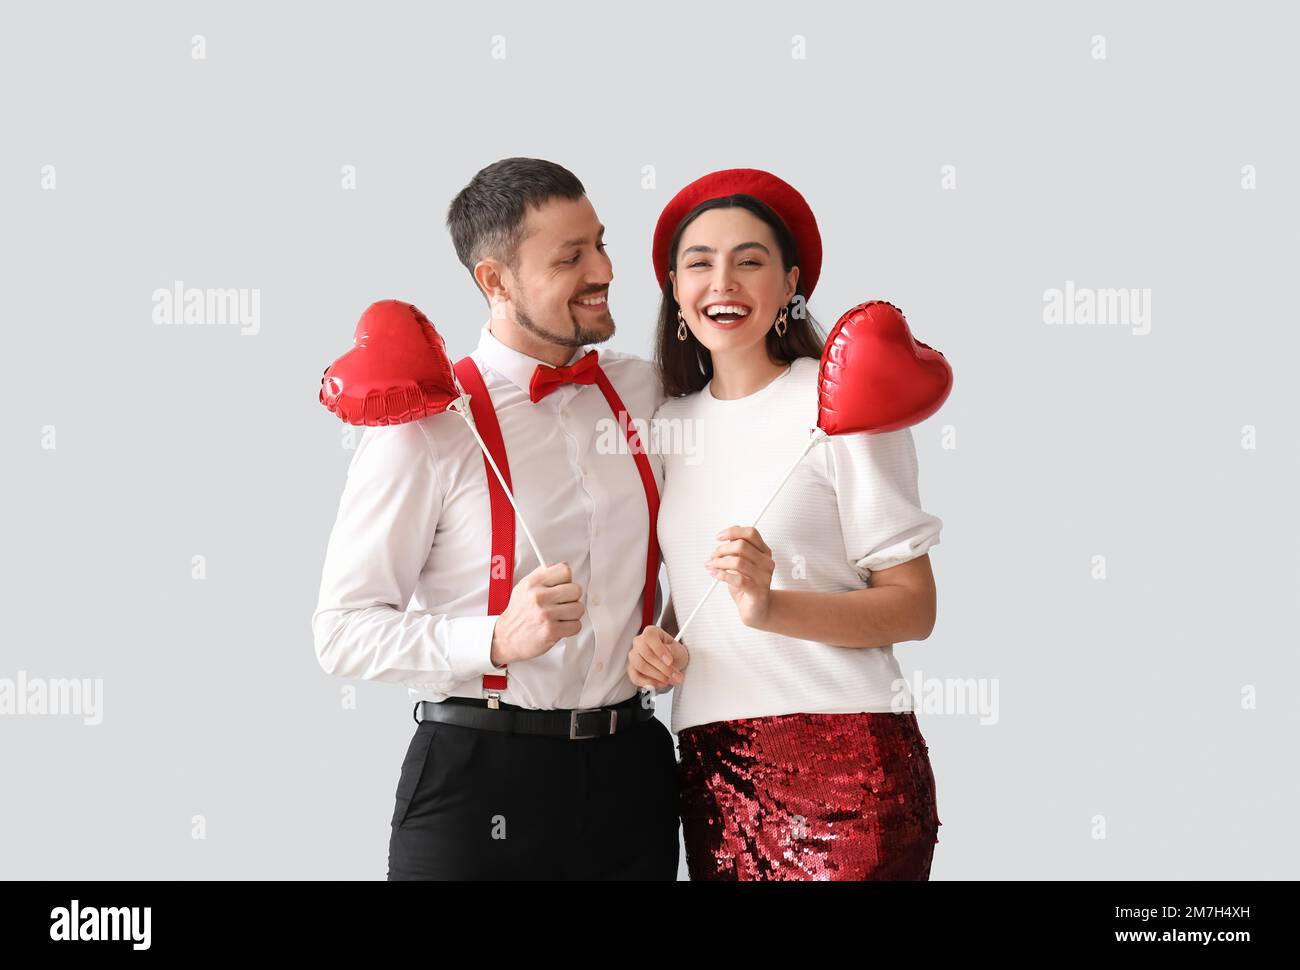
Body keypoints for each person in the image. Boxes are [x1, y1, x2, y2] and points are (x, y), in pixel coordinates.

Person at [313, 157, 678, 880]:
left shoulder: (647, 390)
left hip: (632, 772)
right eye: (571, 258)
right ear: (495, 281)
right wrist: (497, 639)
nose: (604, 270)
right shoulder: (427, 429)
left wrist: (665, 634)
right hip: (479, 779)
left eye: (601, 243)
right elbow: (341, 632)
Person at [628, 169, 944, 880]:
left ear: (791, 282)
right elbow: (705, 599)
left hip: (846, 761)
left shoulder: (840, 406)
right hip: (711, 766)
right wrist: (662, 641)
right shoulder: (669, 429)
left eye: (750, 261)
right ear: (676, 291)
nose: (723, 282)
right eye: (699, 263)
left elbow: (914, 607)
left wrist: (772, 607)